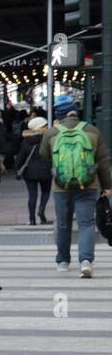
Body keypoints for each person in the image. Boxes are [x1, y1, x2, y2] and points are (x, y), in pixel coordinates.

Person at [40, 104, 112, 277]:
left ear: (60, 115)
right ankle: (86, 261)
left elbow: (44, 154)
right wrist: (107, 186)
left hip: (61, 185)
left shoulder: (52, 132)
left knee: (63, 223)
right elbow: (103, 162)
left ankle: (63, 261)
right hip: (88, 185)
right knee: (86, 223)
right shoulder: (92, 130)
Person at [15, 115, 52, 225]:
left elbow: (21, 157)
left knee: (32, 194)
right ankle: (41, 210)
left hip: (30, 172)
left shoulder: (26, 141)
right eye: (45, 125)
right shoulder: (48, 139)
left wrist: (18, 169)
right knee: (45, 191)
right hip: (46, 170)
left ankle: (32, 219)